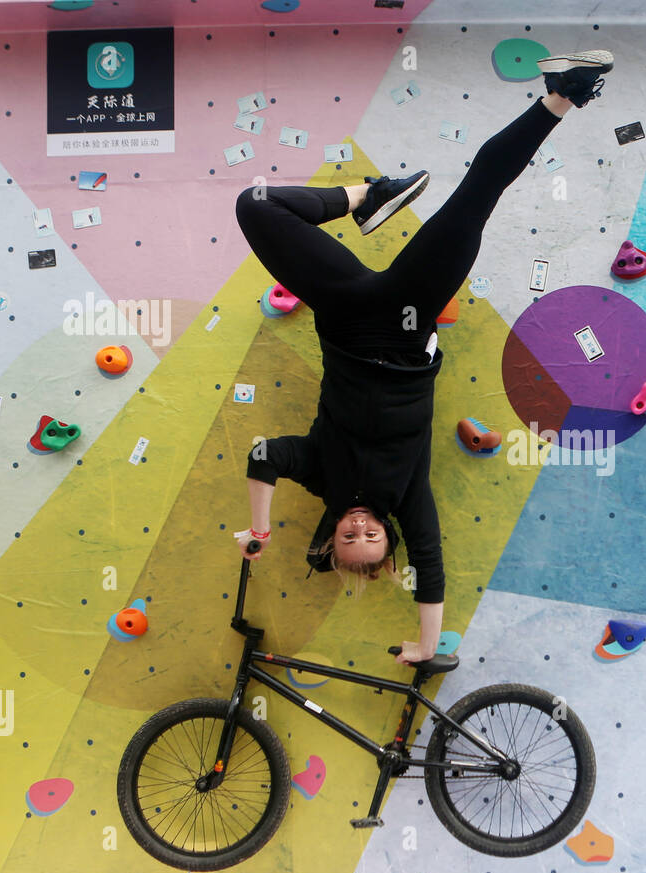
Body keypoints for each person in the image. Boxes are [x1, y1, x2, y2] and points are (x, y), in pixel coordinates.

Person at [234, 50, 614, 666]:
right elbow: (431, 563)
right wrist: (428, 646)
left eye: (348, 537)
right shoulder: (406, 493)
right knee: (477, 196)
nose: (359, 528)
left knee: (254, 205)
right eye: (371, 538)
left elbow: (262, 456)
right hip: (408, 318)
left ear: (331, 534)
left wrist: (260, 528)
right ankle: (562, 96)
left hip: (347, 314)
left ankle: (366, 194)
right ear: (386, 535)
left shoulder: (318, 473)